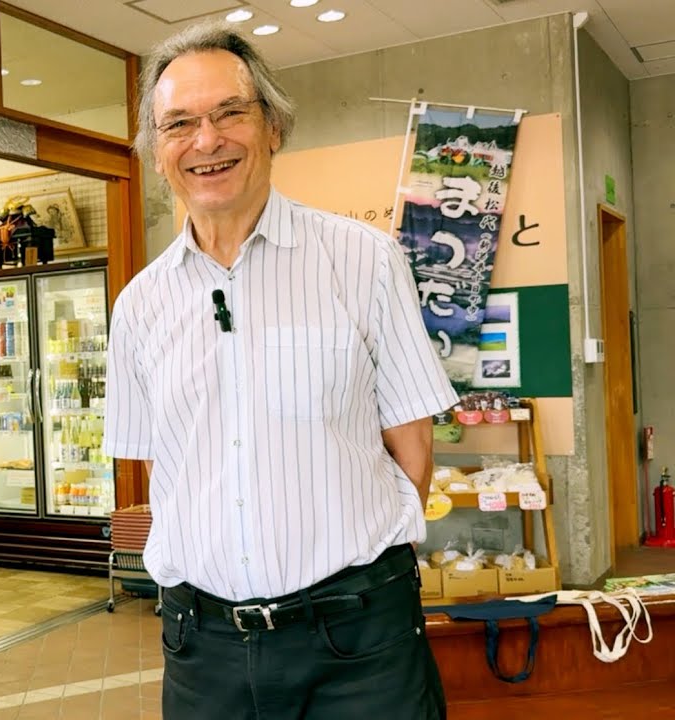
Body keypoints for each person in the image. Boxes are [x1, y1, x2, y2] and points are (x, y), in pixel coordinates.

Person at [103, 22, 459, 719]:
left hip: (359, 644)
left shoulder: (363, 262)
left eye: (229, 113)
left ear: (273, 127)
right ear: (156, 152)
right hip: (203, 649)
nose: (206, 141)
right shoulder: (139, 306)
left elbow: (413, 449)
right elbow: (165, 471)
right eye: (179, 124)